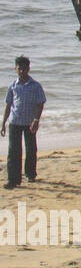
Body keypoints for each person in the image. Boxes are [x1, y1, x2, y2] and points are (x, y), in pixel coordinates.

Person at [4, 56, 45, 190]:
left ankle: (30, 174)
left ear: (29, 69)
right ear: (15, 69)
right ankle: (13, 179)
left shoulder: (36, 85)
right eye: (19, 69)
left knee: (31, 149)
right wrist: (3, 122)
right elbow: (8, 105)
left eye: (24, 69)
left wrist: (36, 120)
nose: (22, 71)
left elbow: (40, 104)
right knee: (13, 151)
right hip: (15, 122)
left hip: (30, 122)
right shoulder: (13, 86)